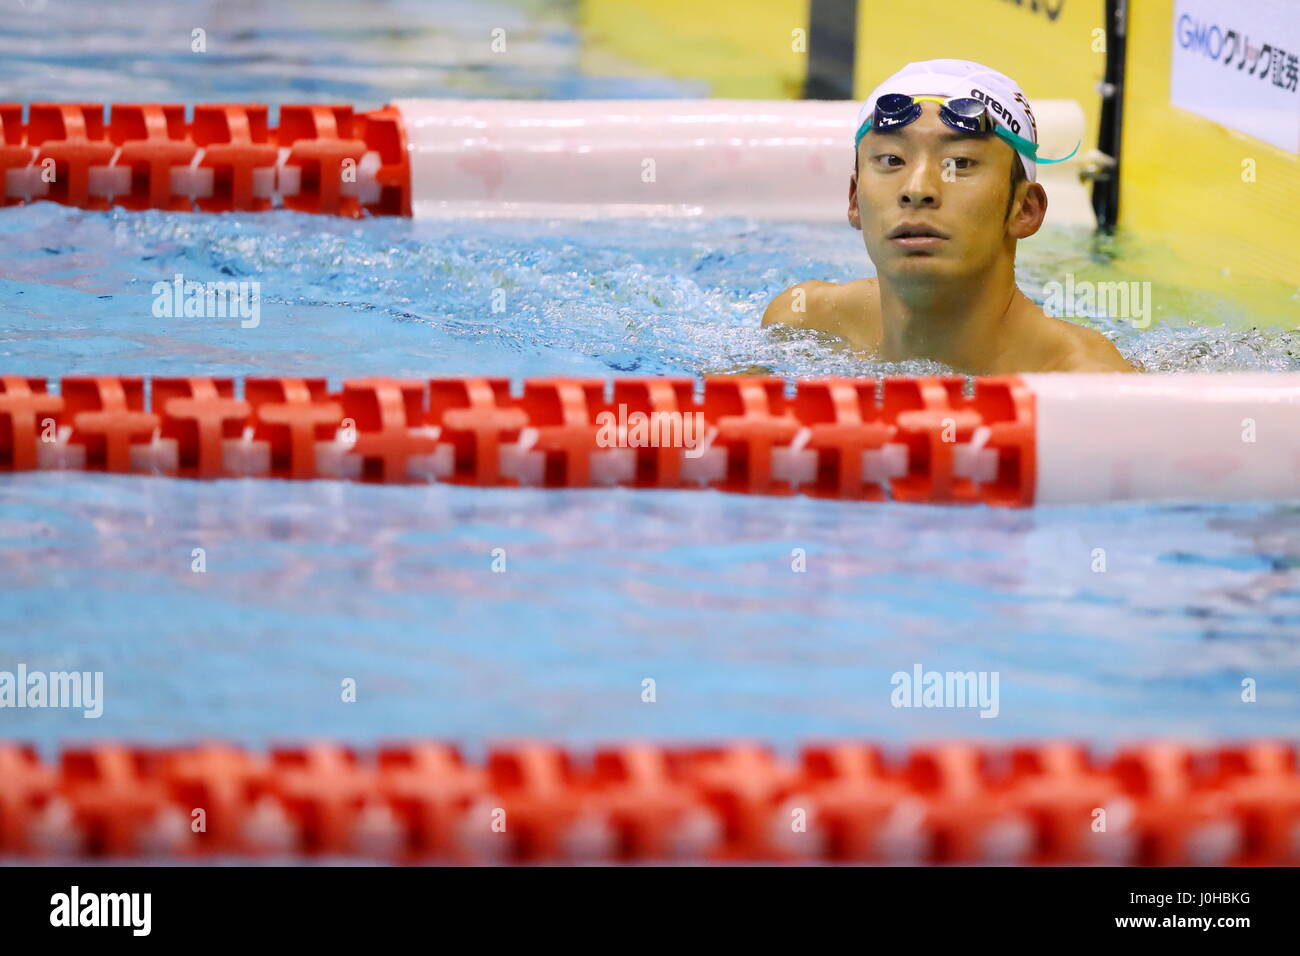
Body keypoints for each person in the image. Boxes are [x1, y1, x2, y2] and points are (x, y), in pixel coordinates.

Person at [763, 59, 1135, 373]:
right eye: (892, 160)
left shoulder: (1084, 379)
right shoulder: (804, 326)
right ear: (854, 201)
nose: (918, 188)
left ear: (1025, 209)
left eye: (959, 163)